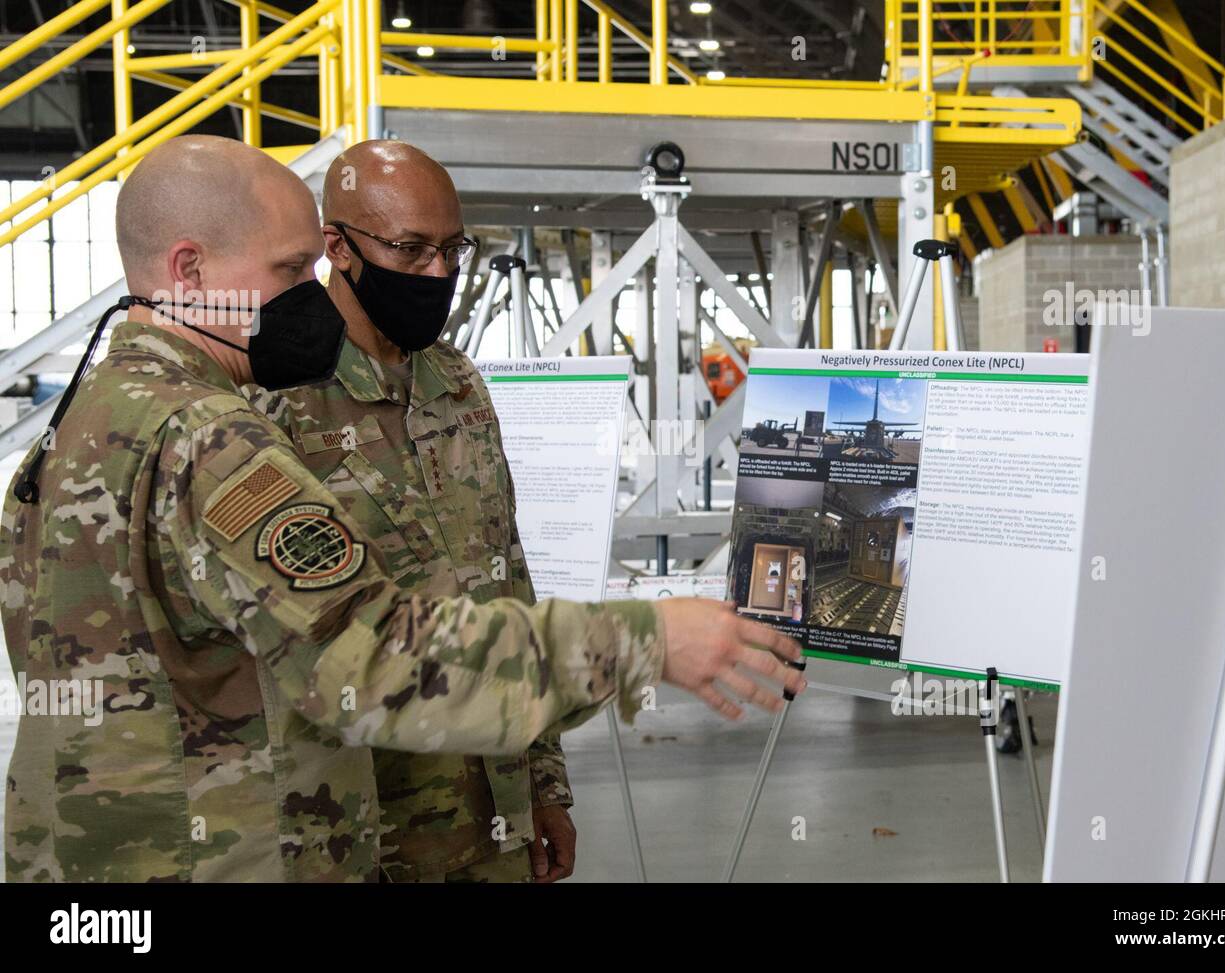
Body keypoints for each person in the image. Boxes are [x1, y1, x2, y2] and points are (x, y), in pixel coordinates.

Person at [0, 135, 806, 883]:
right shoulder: (210, 436)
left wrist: (536, 782)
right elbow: (370, 652)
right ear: (189, 270)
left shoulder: (84, 420)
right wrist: (646, 639)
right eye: (289, 272)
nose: (308, 296)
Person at [246, 141, 570, 882]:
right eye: (412, 249)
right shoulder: (275, 397)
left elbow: (510, 585)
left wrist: (545, 785)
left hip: (494, 814)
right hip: (362, 830)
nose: (439, 273)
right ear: (339, 247)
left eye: (453, 249)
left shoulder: (457, 382)